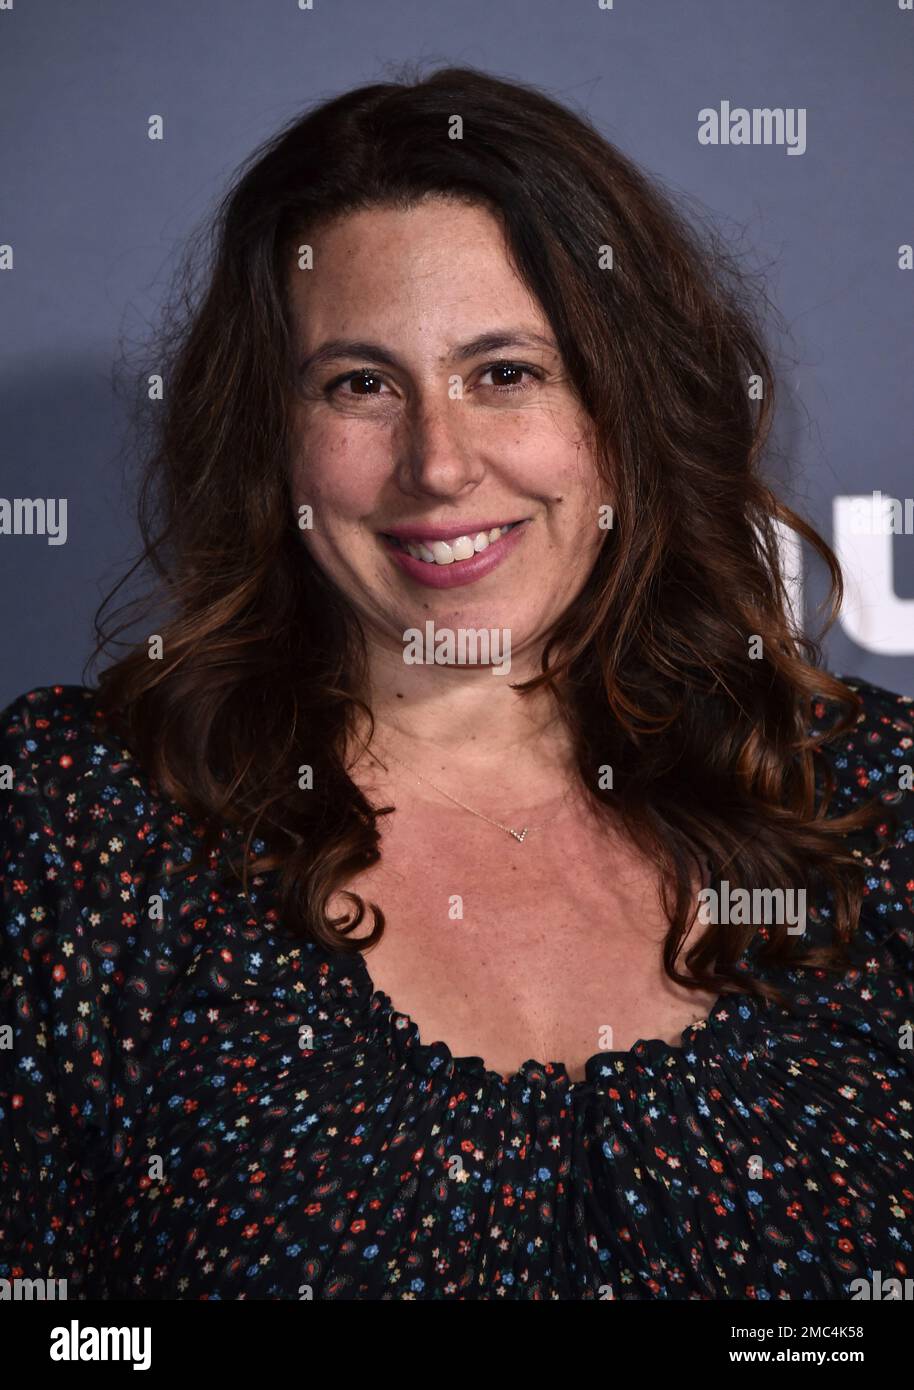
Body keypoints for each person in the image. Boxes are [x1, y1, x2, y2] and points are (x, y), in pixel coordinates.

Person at [1, 65, 912, 1301]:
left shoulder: (867, 802)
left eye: (504, 373)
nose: (437, 464)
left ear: (621, 409)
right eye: (360, 384)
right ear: (274, 438)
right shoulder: (81, 821)